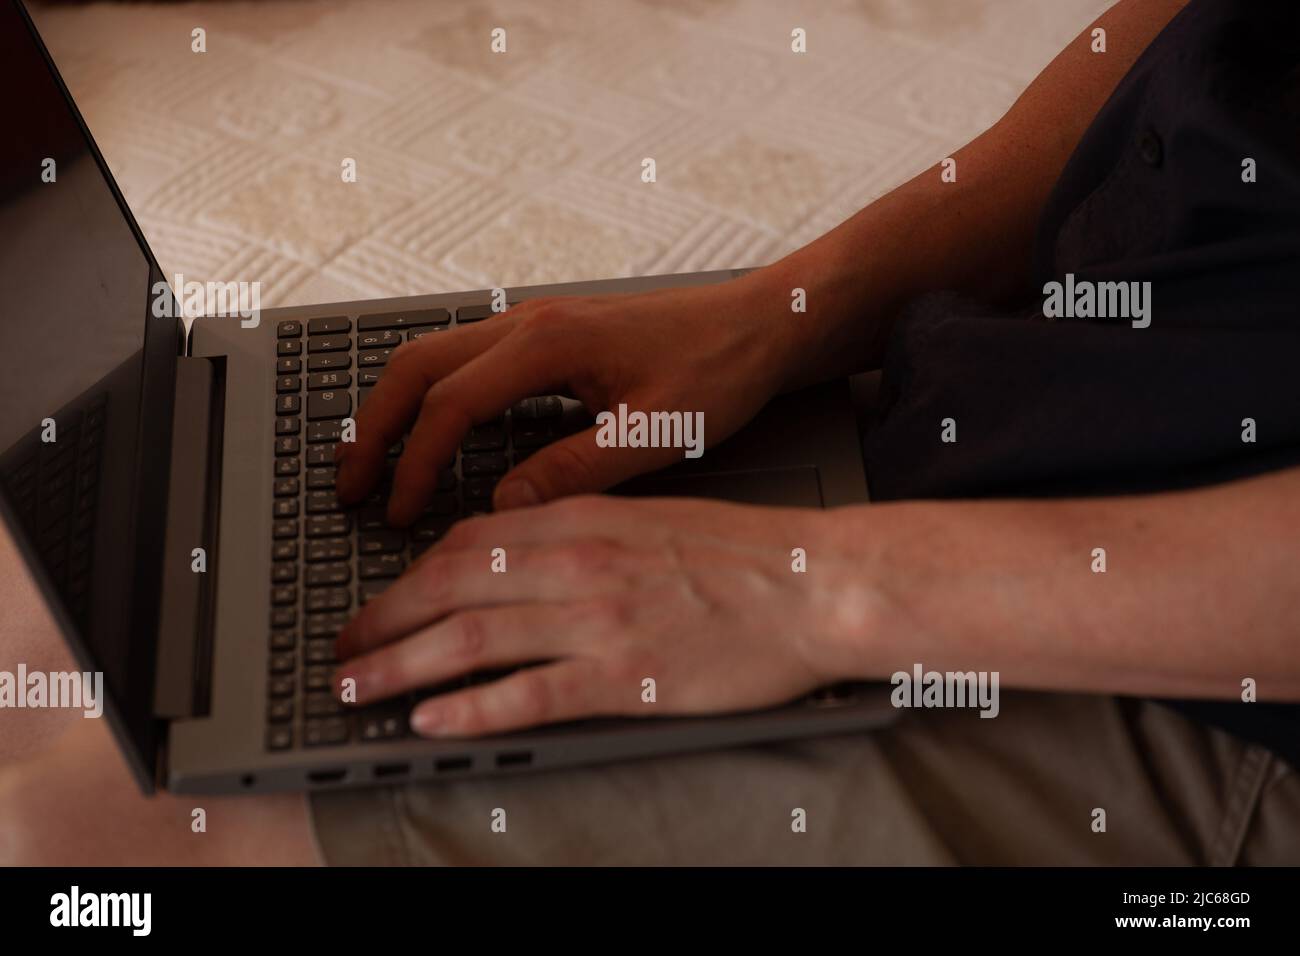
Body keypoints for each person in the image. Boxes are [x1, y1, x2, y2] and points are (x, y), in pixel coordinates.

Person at [3, 0, 1297, 865]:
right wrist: (790, 306)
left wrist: (813, 594)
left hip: (1218, 679)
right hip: (1049, 398)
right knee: (51, 624)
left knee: (88, 833)